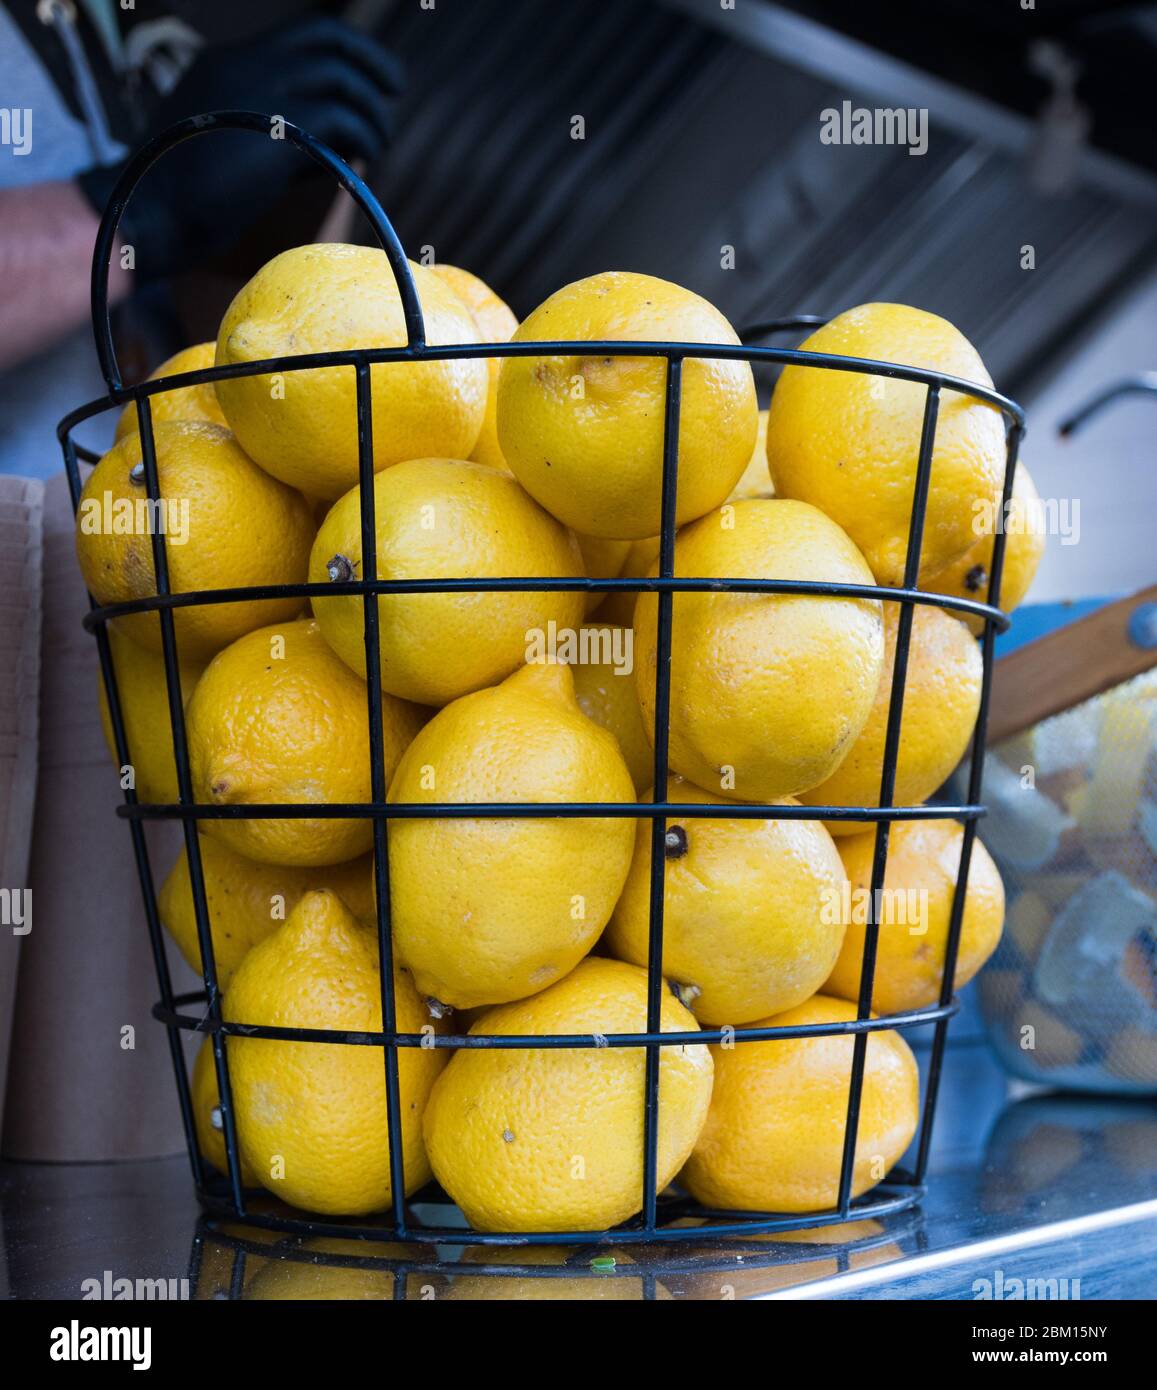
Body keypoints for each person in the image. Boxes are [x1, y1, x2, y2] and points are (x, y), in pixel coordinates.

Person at [0, 2, 403, 478]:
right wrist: (140, 210)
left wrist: (277, 226)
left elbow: (215, 356)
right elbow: (145, 224)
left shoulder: (120, 41)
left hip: (173, 531)